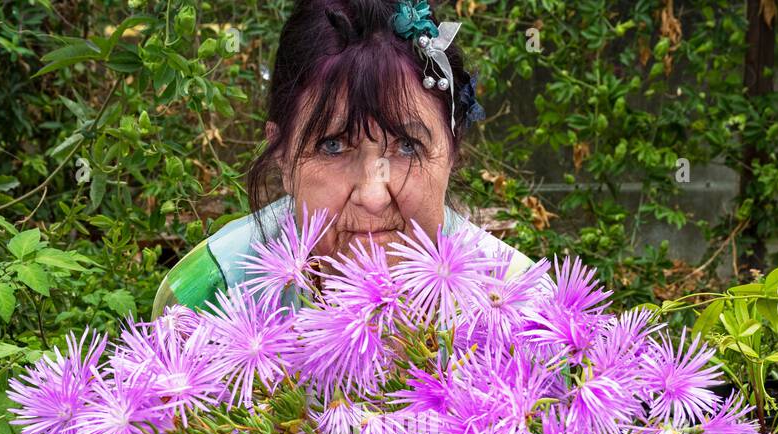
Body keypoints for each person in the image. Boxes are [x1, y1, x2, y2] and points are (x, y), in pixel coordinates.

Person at [151, 0, 534, 318]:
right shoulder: (204, 297)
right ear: (283, 156)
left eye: (407, 146)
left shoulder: (523, 307)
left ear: (452, 152)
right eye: (332, 146)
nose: (372, 196)